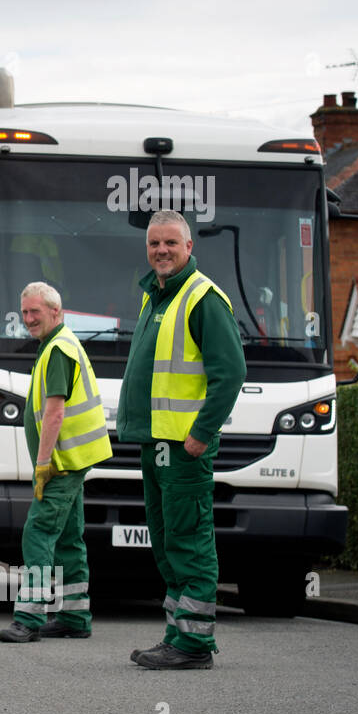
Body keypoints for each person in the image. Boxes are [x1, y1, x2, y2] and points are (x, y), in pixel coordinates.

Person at [119, 209, 244, 669]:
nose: (161, 251)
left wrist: (200, 435)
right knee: (168, 541)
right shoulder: (157, 296)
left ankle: (193, 646)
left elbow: (230, 374)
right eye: (154, 243)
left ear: (189, 247)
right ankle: (178, 636)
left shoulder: (202, 298)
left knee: (189, 541)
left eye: (171, 243)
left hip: (183, 448)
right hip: (156, 444)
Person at [0, 282, 111, 643]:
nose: (29, 319)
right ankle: (75, 617)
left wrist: (43, 464)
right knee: (67, 537)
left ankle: (28, 619)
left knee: (39, 532)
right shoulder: (57, 345)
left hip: (62, 462)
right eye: (26, 312)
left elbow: (54, 412)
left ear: (56, 312)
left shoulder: (58, 349)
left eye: (36, 312)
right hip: (73, 457)